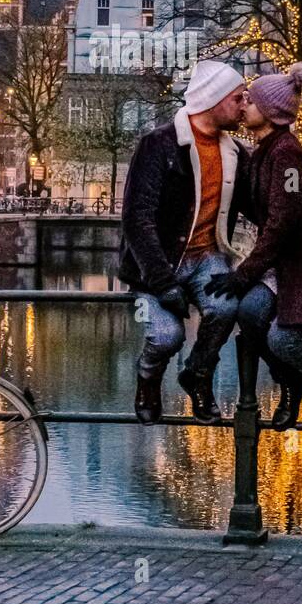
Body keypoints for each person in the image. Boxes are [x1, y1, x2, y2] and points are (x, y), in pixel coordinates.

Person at [206, 63, 302, 431]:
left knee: (282, 339)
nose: (243, 107)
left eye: (251, 102)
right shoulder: (264, 151)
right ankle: (292, 384)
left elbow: (280, 224)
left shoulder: (286, 154)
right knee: (250, 312)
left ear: (271, 113)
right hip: (288, 261)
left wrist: (243, 275)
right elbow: (258, 209)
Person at [120, 59, 251, 425]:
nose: (245, 106)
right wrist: (162, 281)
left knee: (226, 310)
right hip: (155, 263)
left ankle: (198, 374)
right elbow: (136, 217)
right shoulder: (158, 144)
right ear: (216, 100)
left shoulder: (236, 152)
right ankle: (148, 377)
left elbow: (261, 205)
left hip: (207, 256)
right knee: (166, 336)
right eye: (239, 98)